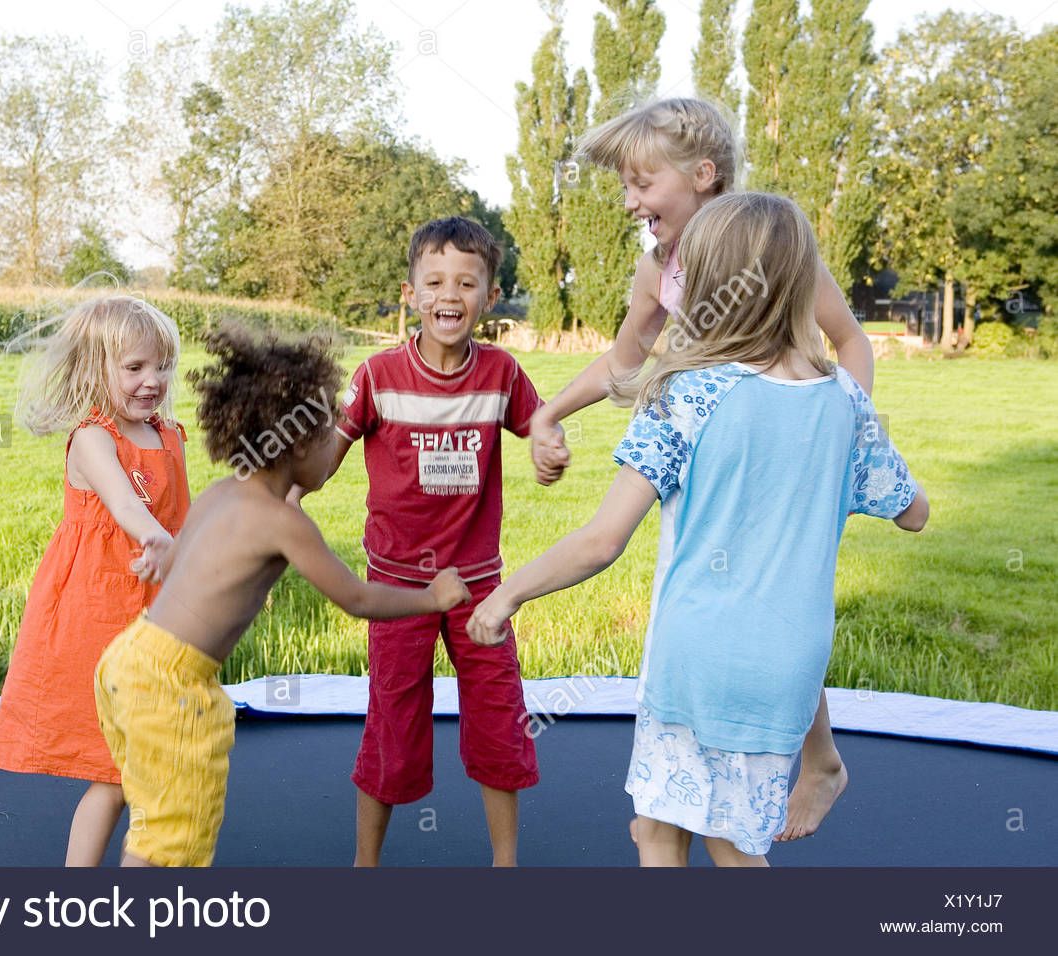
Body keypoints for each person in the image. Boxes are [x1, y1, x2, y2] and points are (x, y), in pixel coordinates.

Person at [469, 192, 928, 865]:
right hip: (789, 669)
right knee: (735, 846)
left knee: (658, 832)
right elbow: (913, 513)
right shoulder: (844, 403)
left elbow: (601, 541)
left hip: (692, 662)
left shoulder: (687, 393)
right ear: (804, 286)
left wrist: (508, 594)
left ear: (709, 285)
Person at [530, 97, 873, 841]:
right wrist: (549, 413)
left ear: (703, 175)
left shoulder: (782, 256)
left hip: (784, 452)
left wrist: (839, 432)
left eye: (642, 184)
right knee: (737, 598)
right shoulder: (657, 270)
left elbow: (850, 342)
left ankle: (817, 761)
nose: (630, 201)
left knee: (775, 594)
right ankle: (691, 805)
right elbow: (625, 363)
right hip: (709, 456)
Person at [93, 325, 471, 867]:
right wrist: (432, 599)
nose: (335, 443)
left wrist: (164, 559)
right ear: (296, 444)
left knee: (156, 819)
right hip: (170, 680)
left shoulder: (220, 494)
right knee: (170, 836)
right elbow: (358, 599)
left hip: (128, 657)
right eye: (328, 433)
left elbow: (176, 564)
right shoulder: (282, 522)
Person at [303, 216, 563, 867]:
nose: (451, 294)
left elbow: (540, 428)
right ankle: (367, 865)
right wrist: (283, 497)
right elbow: (324, 462)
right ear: (411, 293)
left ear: (490, 297)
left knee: (501, 719)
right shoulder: (378, 376)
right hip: (396, 587)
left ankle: (505, 864)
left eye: (467, 283)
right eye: (437, 281)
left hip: (479, 586)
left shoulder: (501, 373)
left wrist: (548, 448)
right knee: (392, 724)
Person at [0, 295, 189, 866]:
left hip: (156, 612)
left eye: (161, 366)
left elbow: (182, 519)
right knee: (124, 765)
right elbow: (129, 508)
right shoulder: (92, 439)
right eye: (135, 368)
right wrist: (156, 540)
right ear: (93, 369)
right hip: (96, 610)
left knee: (136, 767)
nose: (153, 380)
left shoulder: (168, 434)